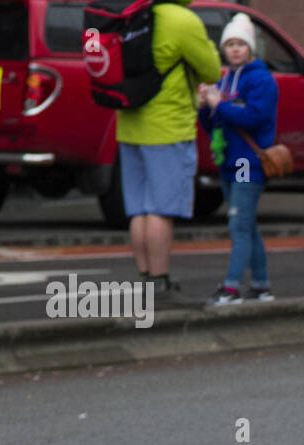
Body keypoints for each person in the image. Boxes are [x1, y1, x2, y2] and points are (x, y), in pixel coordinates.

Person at [114, 0, 221, 305]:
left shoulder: (129, 15)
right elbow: (211, 70)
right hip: (167, 127)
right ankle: (160, 284)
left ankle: (145, 279)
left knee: (139, 208)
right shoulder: (181, 19)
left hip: (129, 125)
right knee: (161, 209)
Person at [197, 14, 278, 305]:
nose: (234, 49)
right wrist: (206, 107)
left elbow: (255, 117)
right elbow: (213, 124)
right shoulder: (226, 78)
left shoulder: (261, 79)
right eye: (229, 44)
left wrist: (220, 104)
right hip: (229, 161)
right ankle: (260, 285)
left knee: (238, 225)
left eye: (240, 44)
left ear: (251, 47)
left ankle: (231, 287)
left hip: (247, 163)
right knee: (246, 224)